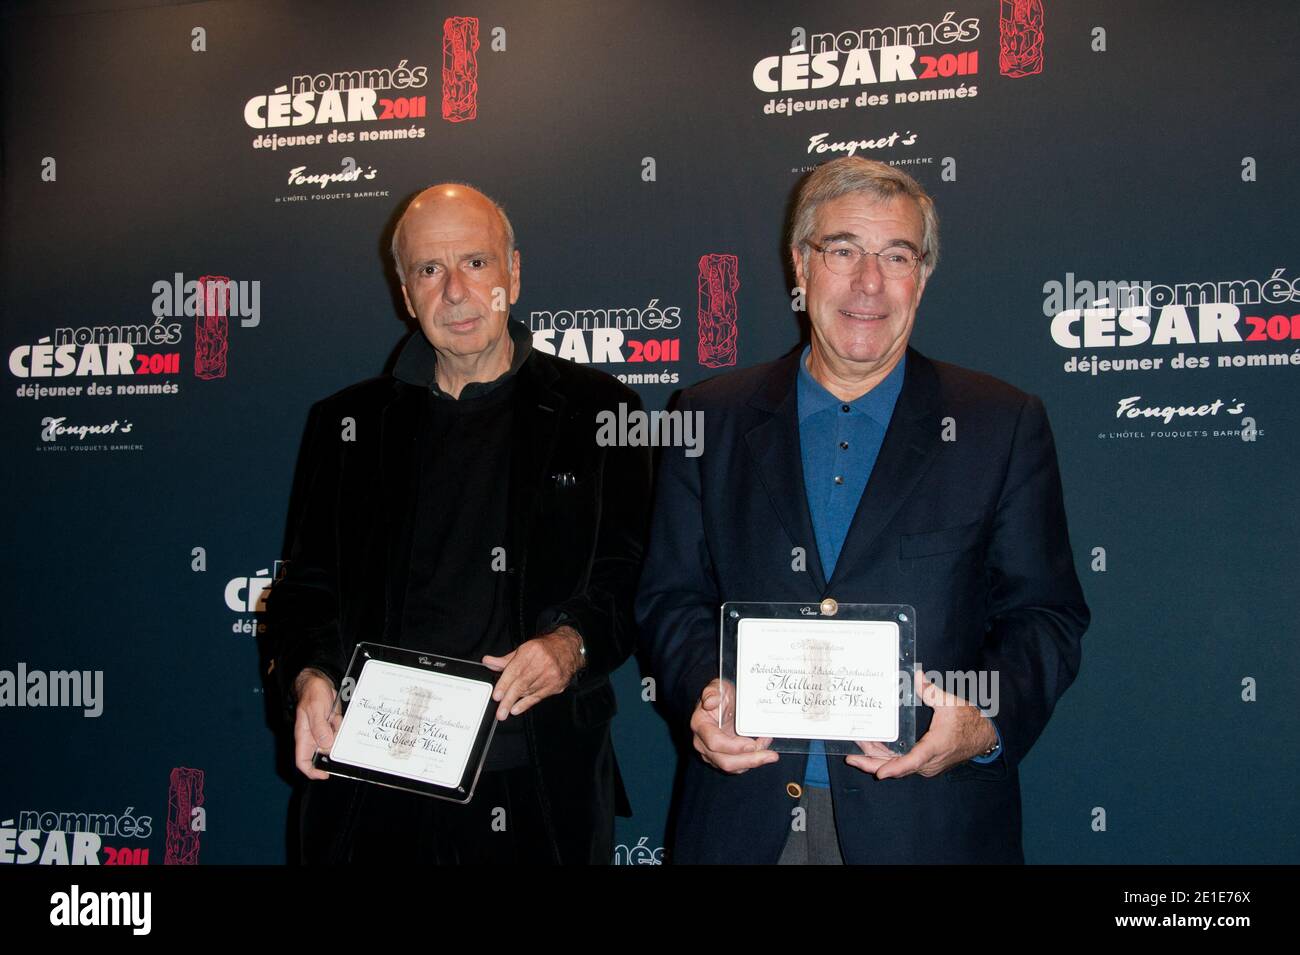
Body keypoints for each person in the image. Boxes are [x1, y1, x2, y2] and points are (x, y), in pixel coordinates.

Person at [636, 158, 1089, 864]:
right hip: (743, 816)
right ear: (800, 264)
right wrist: (705, 690)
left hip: (929, 824)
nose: (868, 282)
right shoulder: (707, 418)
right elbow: (670, 597)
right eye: (843, 250)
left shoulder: (1000, 424)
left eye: (896, 255)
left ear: (924, 273)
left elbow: (1047, 617)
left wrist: (982, 721)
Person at [269, 183, 652, 864]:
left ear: (514, 272)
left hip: (533, 778)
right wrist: (309, 677)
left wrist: (572, 643)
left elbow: (631, 577)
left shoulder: (601, 411)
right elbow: (308, 587)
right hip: (373, 778)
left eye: (475, 263)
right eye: (429, 269)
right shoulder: (345, 424)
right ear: (404, 289)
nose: (454, 291)